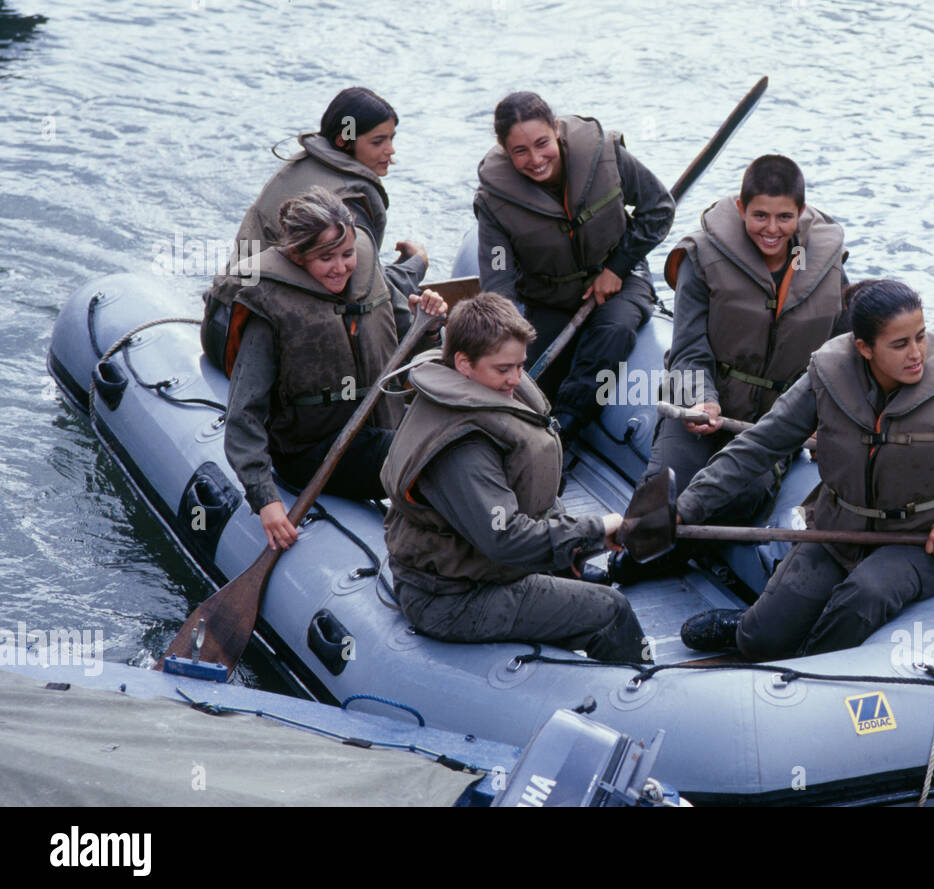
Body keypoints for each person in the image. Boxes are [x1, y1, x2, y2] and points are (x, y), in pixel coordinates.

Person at [672, 280, 934, 659]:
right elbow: (760, 445)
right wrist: (686, 507)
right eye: (899, 344)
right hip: (838, 529)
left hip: (920, 542)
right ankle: (750, 630)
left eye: (920, 337)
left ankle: (808, 666)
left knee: (865, 594)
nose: (916, 353)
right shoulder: (826, 376)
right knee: (763, 639)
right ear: (864, 348)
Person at [610, 155, 848, 584]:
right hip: (697, 406)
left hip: (773, 425)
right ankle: (639, 548)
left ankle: (648, 559)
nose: (772, 229)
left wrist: (827, 422)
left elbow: (842, 355)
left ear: (801, 212)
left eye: (784, 217)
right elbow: (688, 348)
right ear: (741, 209)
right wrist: (703, 399)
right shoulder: (702, 257)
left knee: (744, 493)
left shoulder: (827, 266)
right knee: (663, 486)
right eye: (760, 216)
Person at [379, 293, 648, 662]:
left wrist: (576, 543)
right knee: (610, 611)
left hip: (481, 568)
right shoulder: (462, 446)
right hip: (452, 597)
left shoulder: (476, 395)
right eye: (503, 369)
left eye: (520, 366)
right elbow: (503, 537)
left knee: (575, 577)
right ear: (464, 364)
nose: (515, 379)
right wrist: (595, 529)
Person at [224, 188, 445, 550]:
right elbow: (243, 414)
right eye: (326, 258)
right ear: (297, 256)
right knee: (435, 456)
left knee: (458, 437)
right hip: (315, 452)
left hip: (380, 429)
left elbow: (412, 353)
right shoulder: (270, 308)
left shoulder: (368, 278)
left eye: (347, 254)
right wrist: (265, 499)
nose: (341, 267)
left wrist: (431, 329)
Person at [474, 91, 674, 443]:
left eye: (542, 143)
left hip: (622, 279)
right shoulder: (494, 202)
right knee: (528, 377)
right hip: (549, 296)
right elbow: (498, 273)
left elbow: (659, 209)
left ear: (556, 129)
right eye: (520, 151)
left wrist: (616, 268)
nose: (536, 159)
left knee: (614, 332)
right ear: (505, 151)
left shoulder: (606, 155)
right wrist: (506, 336)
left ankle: (563, 431)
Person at [202, 87, 428, 373]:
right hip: (252, 346)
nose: (390, 150)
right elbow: (368, 291)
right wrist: (415, 266)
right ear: (344, 140)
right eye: (378, 141)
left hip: (221, 322)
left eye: (391, 138)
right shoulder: (347, 205)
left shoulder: (301, 166)